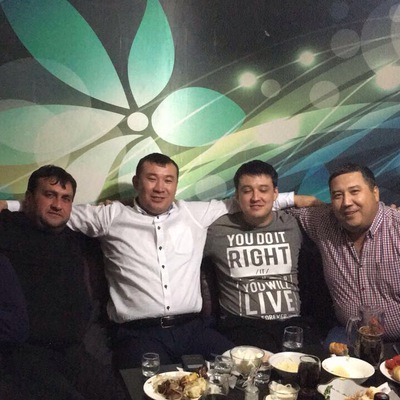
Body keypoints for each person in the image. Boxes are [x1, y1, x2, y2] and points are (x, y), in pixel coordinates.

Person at [2, 154, 317, 368]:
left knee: (251, 367)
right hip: (139, 334)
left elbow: (247, 200)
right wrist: (11, 205)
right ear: (137, 182)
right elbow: (57, 210)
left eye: (168, 180)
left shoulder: (195, 213)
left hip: (194, 329)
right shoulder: (110, 216)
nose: (160, 187)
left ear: (176, 185)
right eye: (151, 178)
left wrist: (293, 199)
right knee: (146, 387)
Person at [0, 165, 127, 400]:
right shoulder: (7, 228)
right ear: (29, 198)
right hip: (23, 353)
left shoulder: (74, 237)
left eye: (65, 198)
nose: (58, 205)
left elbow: (111, 217)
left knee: (120, 395)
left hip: (72, 351)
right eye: (49, 195)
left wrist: (119, 206)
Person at [204, 160, 323, 352]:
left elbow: (338, 217)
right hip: (243, 325)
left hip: (292, 324)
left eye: (263, 190)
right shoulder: (217, 230)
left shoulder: (294, 223)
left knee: (314, 363)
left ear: (275, 193)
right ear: (237, 196)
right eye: (247, 191)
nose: (255, 197)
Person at [282, 163, 400, 343]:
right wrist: (297, 198)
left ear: (375, 193)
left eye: (354, 192)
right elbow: (260, 204)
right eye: (338, 195)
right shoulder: (323, 222)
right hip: (347, 337)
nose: (346, 202)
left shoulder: (396, 227)